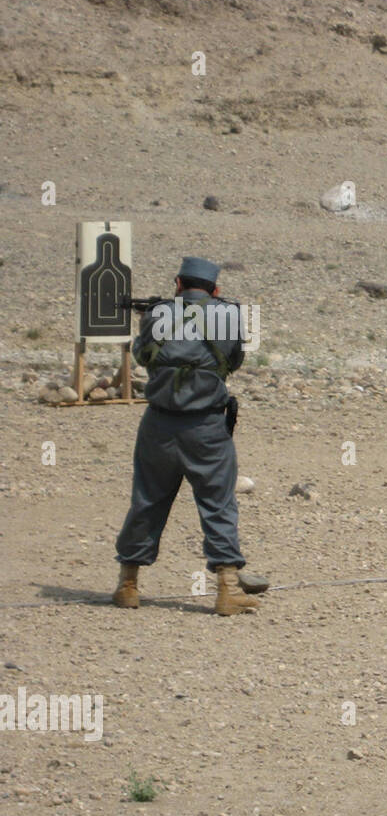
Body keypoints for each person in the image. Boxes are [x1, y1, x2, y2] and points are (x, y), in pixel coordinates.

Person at [112, 257, 261, 615]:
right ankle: (226, 589)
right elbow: (234, 361)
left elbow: (144, 356)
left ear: (178, 283)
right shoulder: (229, 315)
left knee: (147, 500)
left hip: (159, 424)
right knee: (218, 504)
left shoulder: (156, 314)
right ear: (216, 290)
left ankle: (128, 584)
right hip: (207, 427)